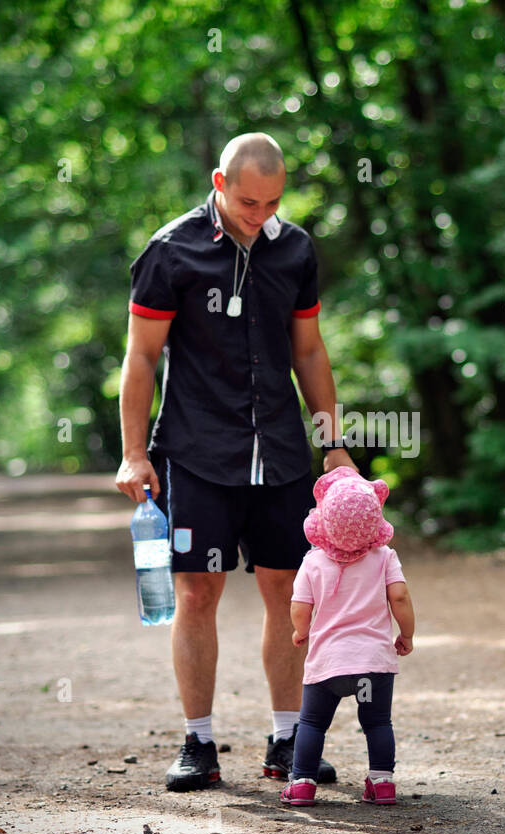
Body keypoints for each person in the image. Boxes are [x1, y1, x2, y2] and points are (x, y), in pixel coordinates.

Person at [115, 132, 359, 792]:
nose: (261, 215)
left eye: (273, 201)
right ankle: (198, 744)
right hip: (196, 451)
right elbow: (140, 358)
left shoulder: (296, 249)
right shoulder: (171, 251)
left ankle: (287, 741)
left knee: (289, 591)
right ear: (219, 185)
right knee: (198, 592)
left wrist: (331, 441)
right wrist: (135, 454)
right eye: (249, 201)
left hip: (280, 451)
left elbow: (308, 351)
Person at [282, 467, 415, 807]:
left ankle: (302, 784)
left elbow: (300, 605)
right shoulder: (384, 557)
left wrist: (301, 630)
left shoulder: (312, 562)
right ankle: (382, 782)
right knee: (377, 723)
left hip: (328, 664)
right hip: (373, 665)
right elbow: (399, 596)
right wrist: (406, 634)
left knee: (312, 723)